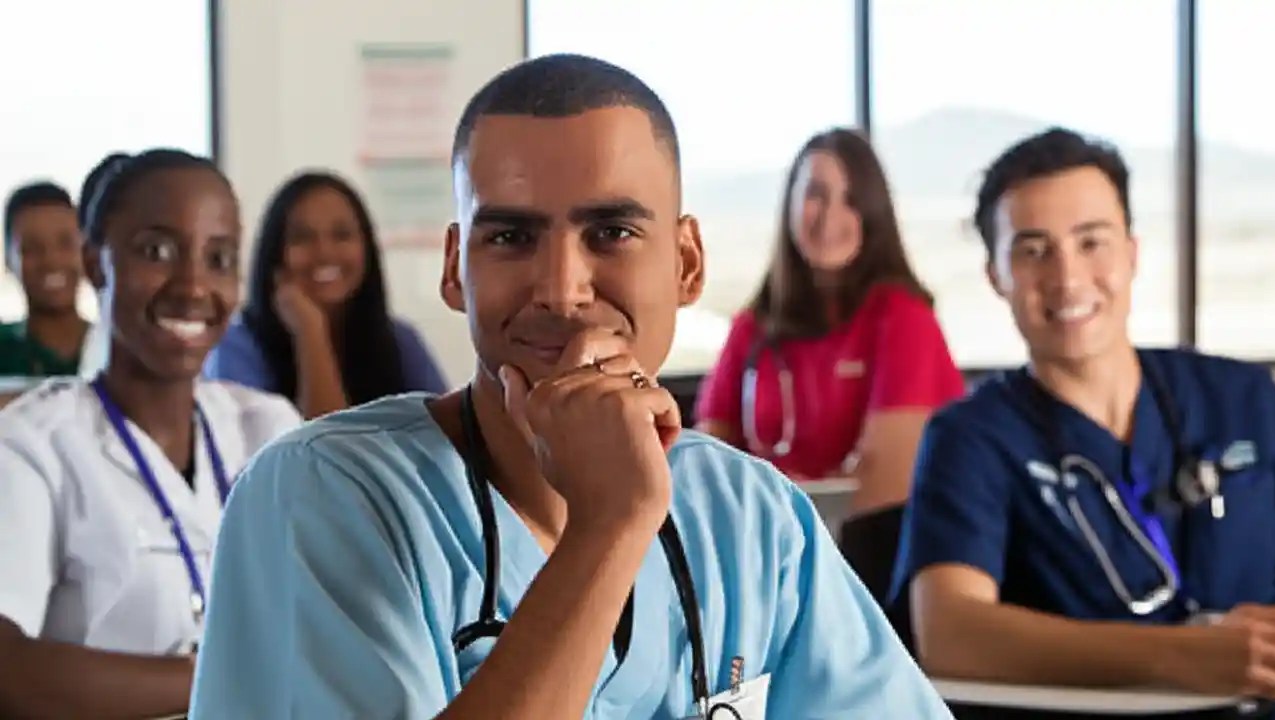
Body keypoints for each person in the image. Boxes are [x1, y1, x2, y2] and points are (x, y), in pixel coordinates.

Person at [189, 54, 952, 719]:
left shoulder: (752, 518)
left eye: (612, 233)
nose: (560, 289)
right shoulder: (322, 494)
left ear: (687, 264)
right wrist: (610, 526)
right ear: (456, 269)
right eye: (510, 237)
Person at [891, 127, 1275, 701]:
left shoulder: (1241, 397)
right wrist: (1184, 656)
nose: (1067, 279)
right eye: (1033, 251)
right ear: (996, 276)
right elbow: (950, 633)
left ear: (1132, 253)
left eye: (1091, 242)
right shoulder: (972, 438)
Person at [0, 149, 302, 719]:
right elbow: (8, 673)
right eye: (157, 251)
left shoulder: (268, 429)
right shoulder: (33, 445)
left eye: (219, 258)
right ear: (95, 263)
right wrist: (227, 675)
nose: (193, 286)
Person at [695, 128, 964, 517]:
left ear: (873, 214)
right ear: (790, 202)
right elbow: (708, 460)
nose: (830, 216)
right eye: (815, 194)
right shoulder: (752, 327)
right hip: (765, 536)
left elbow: (887, 485)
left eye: (851, 200)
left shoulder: (904, 318)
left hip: (861, 542)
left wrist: (771, 507)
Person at [203, 170, 449, 418]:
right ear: (275, 254)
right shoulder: (238, 346)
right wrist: (310, 331)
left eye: (342, 235)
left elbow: (447, 438)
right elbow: (325, 441)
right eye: (302, 238)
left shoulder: (401, 340)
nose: (324, 252)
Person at [0, 181, 90, 377]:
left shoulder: (121, 349)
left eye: (66, 243)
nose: (51, 260)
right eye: (31, 248)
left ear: (86, 252)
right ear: (8, 260)